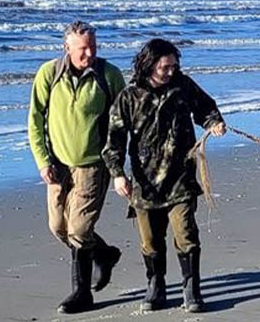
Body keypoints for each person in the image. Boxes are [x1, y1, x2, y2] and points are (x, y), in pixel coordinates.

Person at [102, 38, 226, 313]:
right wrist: (117, 174)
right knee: (150, 241)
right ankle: (156, 285)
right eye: (165, 67)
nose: (171, 71)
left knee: (186, 233)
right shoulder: (129, 96)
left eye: (174, 66)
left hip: (181, 177)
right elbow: (115, 140)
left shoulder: (183, 86)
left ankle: (191, 289)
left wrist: (214, 122)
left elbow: (205, 107)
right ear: (149, 65)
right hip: (145, 183)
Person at [27, 20, 126, 314]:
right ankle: (105, 254)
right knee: (58, 227)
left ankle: (81, 293)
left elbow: (122, 123)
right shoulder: (49, 73)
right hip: (57, 166)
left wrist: (118, 165)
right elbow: (35, 120)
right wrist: (43, 161)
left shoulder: (109, 75)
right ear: (66, 47)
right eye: (82, 48)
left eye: (93, 47)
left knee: (80, 230)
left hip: (93, 165)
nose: (89, 53)